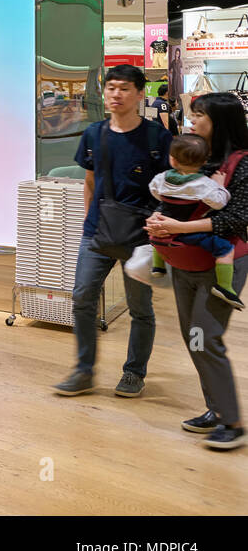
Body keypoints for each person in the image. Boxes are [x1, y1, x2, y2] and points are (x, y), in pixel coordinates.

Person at [54, 64, 171, 398]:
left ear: (138, 94)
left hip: (140, 236)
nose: (115, 94)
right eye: (111, 88)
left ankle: (134, 372)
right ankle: (83, 371)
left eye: (123, 88)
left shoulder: (157, 137)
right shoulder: (94, 133)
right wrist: (88, 219)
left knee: (140, 308)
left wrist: (160, 224)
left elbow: (170, 188)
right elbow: (90, 180)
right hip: (97, 232)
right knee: (82, 298)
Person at [146, 92, 248, 449]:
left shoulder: (242, 163)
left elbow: (236, 218)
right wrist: (159, 220)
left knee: (207, 338)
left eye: (199, 116)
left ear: (219, 121)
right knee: (195, 339)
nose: (191, 122)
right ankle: (216, 409)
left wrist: (177, 228)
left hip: (221, 260)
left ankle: (232, 423)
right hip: (183, 258)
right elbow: (170, 201)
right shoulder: (197, 161)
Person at [143, 133, 240, 309]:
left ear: (172, 160)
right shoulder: (204, 184)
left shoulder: (161, 178)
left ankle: (158, 266)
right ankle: (224, 286)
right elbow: (219, 203)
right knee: (226, 250)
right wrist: (220, 185)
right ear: (205, 161)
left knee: (156, 228)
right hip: (189, 235)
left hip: (163, 232)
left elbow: (154, 192)